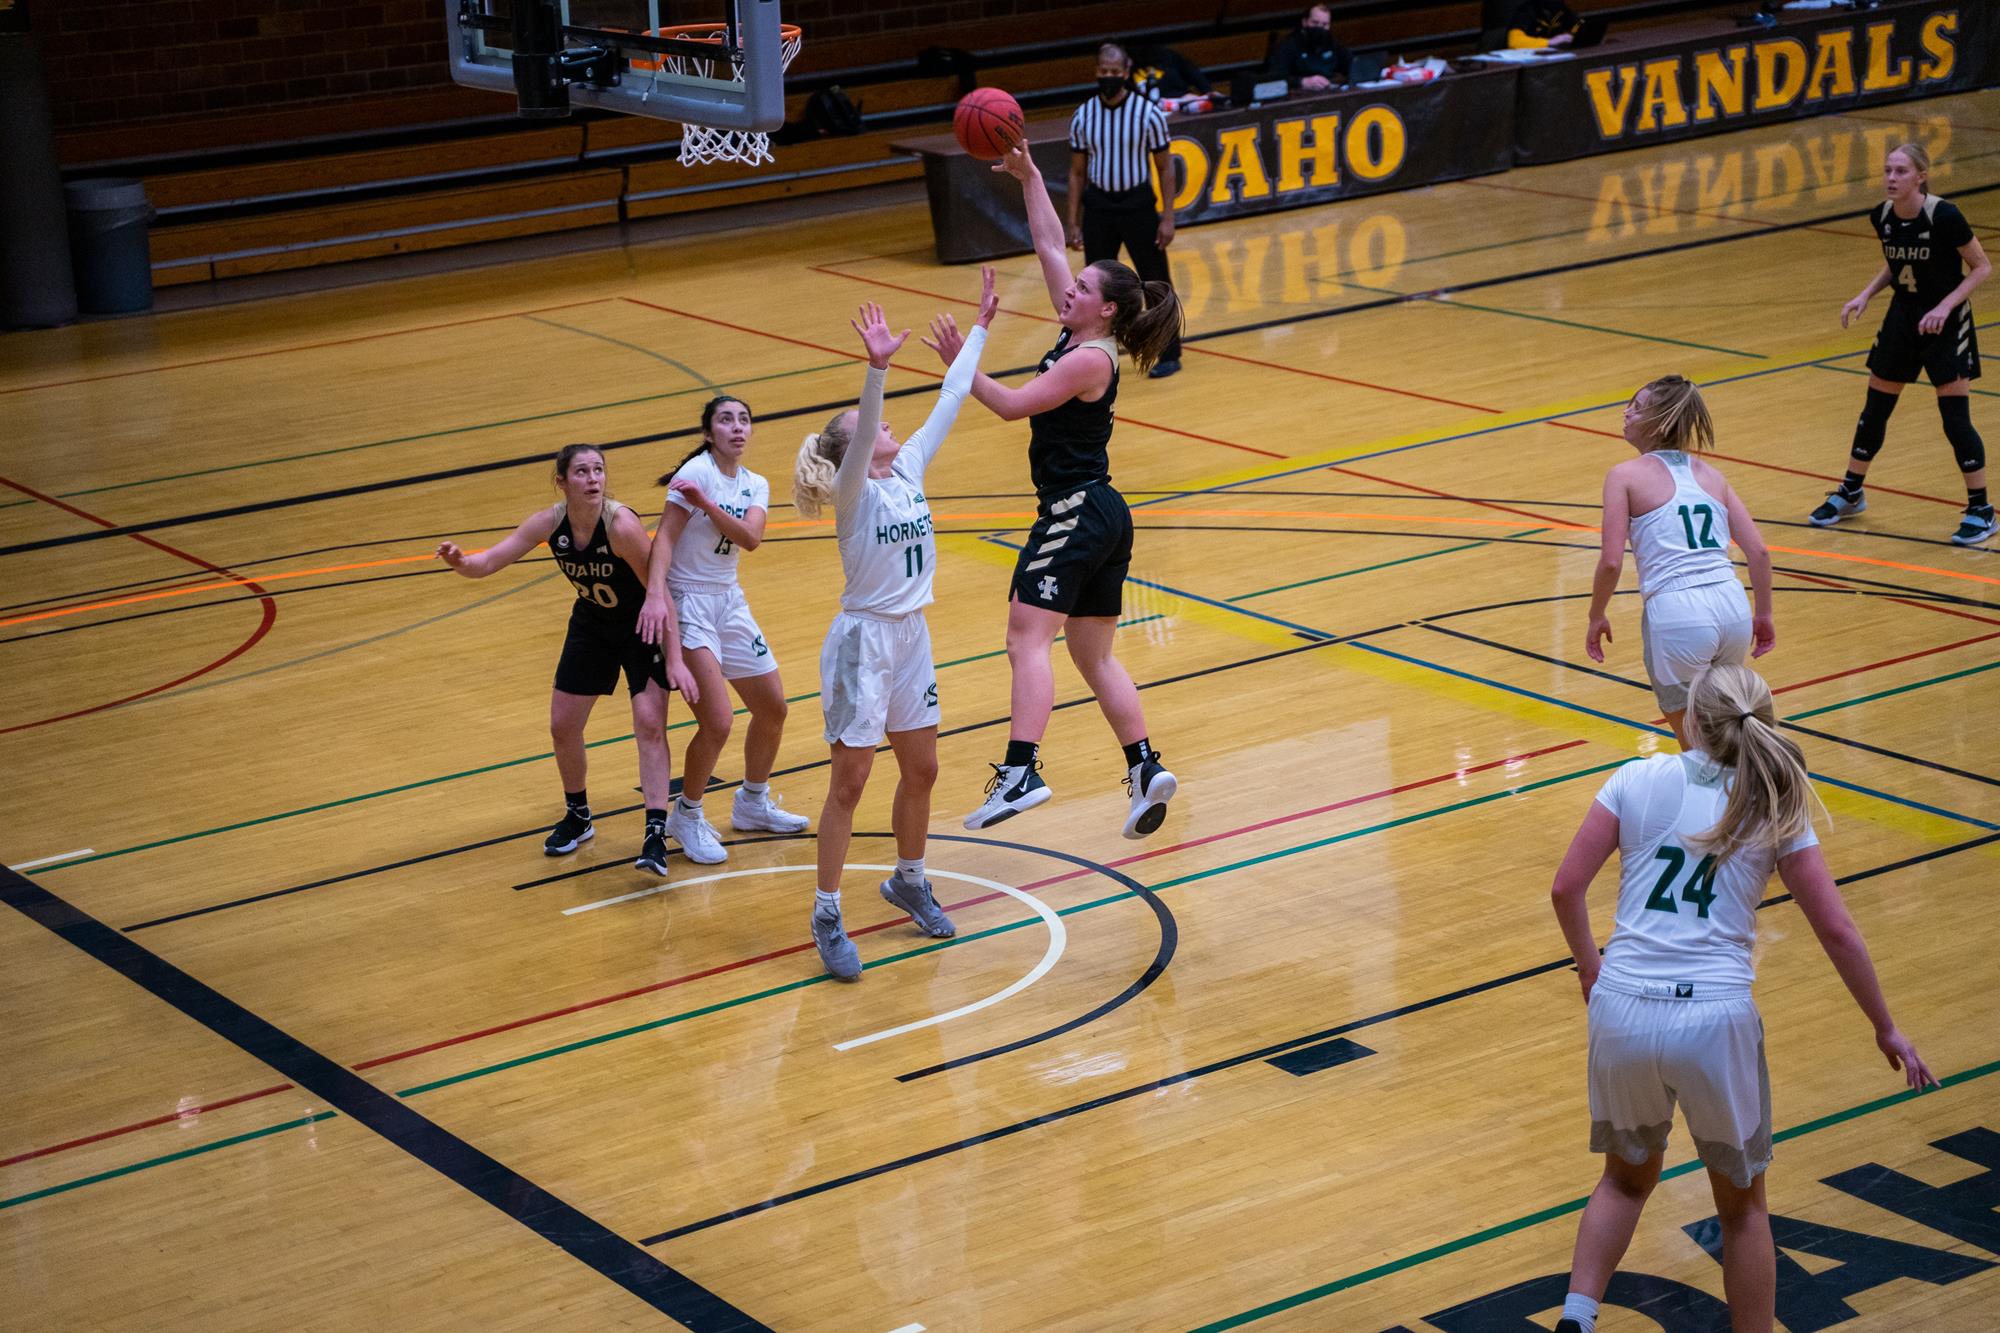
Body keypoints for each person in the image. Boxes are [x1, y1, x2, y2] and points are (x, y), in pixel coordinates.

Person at [1546, 663, 1936, 1333]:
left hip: (1624, 1004)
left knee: (1624, 1180)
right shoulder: (1773, 802)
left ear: (1690, 720)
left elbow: (1564, 888)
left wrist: (1590, 967)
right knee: (1743, 1209)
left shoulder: (1635, 778)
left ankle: (1577, 1318)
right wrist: (1886, 1026)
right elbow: (1836, 929)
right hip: (1714, 1018)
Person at [941, 143, 1180, 841]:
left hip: (1075, 508)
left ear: (1103, 309)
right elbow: (1049, 240)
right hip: (1103, 510)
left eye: (1079, 288)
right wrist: (1031, 179)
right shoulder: (1087, 333)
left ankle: (1021, 770)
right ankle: (1143, 768)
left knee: (1026, 638)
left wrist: (961, 364)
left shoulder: (1084, 360)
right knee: (1092, 654)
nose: (1066, 290)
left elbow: (1014, 405)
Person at [791, 274, 997, 981]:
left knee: (924, 767)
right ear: (854, 450)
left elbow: (950, 399)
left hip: (911, 636)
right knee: (850, 781)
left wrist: (980, 329)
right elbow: (865, 422)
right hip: (863, 643)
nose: (889, 426)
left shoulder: (907, 470)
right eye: (875, 425)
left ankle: (910, 878)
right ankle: (825, 912)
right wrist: (875, 367)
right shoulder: (855, 492)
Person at [436, 444, 698, 875]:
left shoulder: (621, 526)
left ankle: (655, 832)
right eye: (582, 472)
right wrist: (461, 561)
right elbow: (489, 563)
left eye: (598, 470)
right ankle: (578, 815)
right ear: (562, 482)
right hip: (592, 625)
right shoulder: (550, 522)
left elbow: (659, 590)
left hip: (642, 626)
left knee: (649, 723)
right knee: (562, 725)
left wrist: (674, 658)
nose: (593, 478)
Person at [637, 397, 810, 865]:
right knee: (717, 721)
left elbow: (750, 539)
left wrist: (706, 506)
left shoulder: (755, 484)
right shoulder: (697, 471)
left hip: (729, 600)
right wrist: (657, 595)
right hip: (688, 601)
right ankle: (686, 814)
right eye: (726, 420)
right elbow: (665, 540)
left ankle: (752, 801)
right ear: (709, 432)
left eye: (744, 420)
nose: (737, 428)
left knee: (772, 707)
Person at [1809, 142, 1995, 546]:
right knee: (1874, 411)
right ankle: (1851, 491)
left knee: (1954, 418)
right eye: (1888, 171)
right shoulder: (1882, 216)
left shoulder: (1944, 215)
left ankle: (1981, 508)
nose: (1891, 178)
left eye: (1900, 171)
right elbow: (1897, 266)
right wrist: (1864, 295)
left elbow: (1982, 268)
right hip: (1903, 319)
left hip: (1944, 322)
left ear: (1921, 176)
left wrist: (1945, 308)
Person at [1586, 375, 1774, 750]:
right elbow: (1759, 552)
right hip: (1732, 606)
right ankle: (1754, 796)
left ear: (1661, 422)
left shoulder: (1623, 475)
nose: (1626, 413)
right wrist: (1764, 615)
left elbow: (1610, 562)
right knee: (1727, 728)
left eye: (1637, 408)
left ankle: (1722, 803)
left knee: (1698, 748)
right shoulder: (1712, 476)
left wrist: (1596, 615)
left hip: (1677, 612)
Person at [1066, 41, 1183, 379]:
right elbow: (1076, 173)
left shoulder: (1149, 113)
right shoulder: (1083, 115)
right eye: (1103, 72)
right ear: (1096, 72)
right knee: (1095, 287)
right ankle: (1095, 350)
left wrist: (1169, 216)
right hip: (1100, 206)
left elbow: (1165, 169)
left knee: (1156, 280)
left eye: (1115, 73)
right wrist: (1072, 221)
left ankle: (1169, 351)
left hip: (1138, 205)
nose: (1109, 77)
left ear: (1126, 73)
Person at [1261, 5, 1352, 91]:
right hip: (1297, 95)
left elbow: (1350, 66)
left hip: (1327, 91)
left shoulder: (1333, 43)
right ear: (1304, 22)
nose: (1320, 27)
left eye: (1325, 24)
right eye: (1315, 23)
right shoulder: (1287, 45)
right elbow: (1274, 78)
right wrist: (1302, 82)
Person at [1506, 1, 1585, 49]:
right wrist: (1549, 42)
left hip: (1552, 58)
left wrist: (1572, 35)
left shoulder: (1560, 8)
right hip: (1526, 61)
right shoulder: (1526, 10)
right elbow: (1514, 42)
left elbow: (1576, 26)